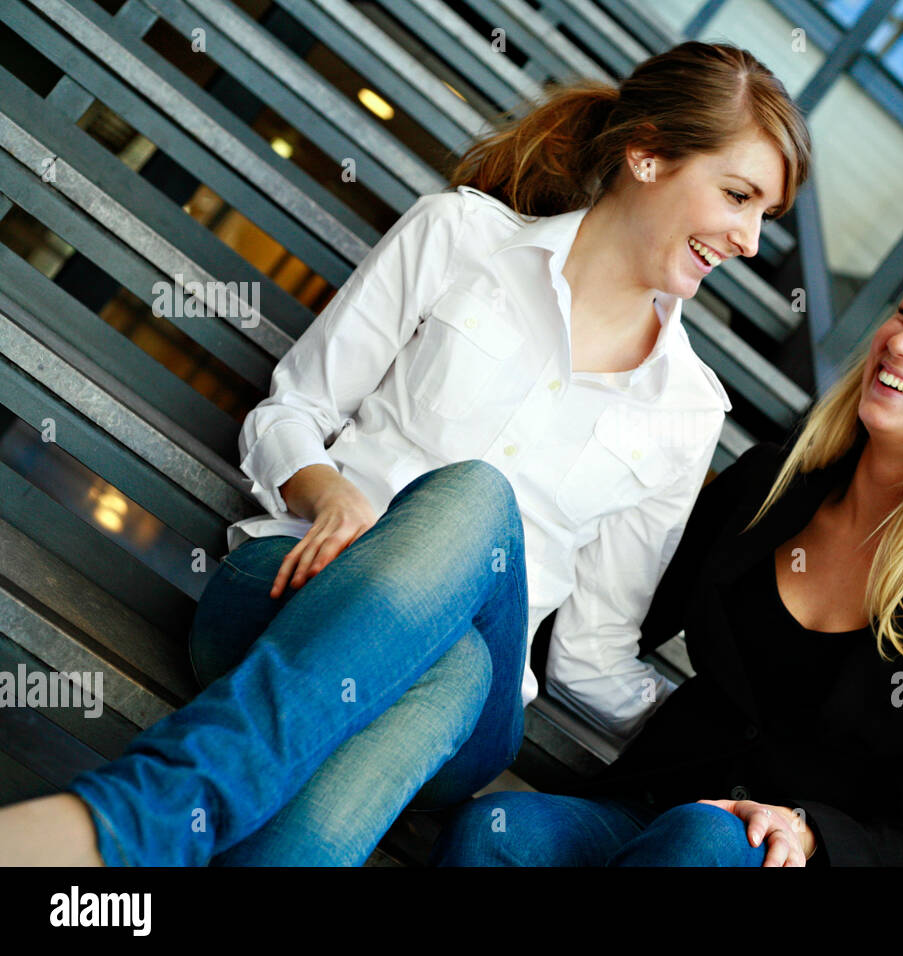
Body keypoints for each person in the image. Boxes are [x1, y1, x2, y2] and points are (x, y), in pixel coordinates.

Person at [0, 41, 810, 866]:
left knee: (469, 558)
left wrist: (750, 767)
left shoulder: (687, 407)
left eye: (765, 217)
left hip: (471, 724)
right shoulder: (459, 238)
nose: (747, 239)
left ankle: (136, 821)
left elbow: (589, 655)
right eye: (738, 196)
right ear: (647, 154)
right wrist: (329, 494)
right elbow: (293, 412)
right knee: (451, 632)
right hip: (291, 588)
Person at [429, 243, 903, 866]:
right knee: (496, 831)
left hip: (774, 858)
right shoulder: (769, 484)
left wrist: (806, 828)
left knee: (703, 840)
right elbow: (614, 622)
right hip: (647, 812)